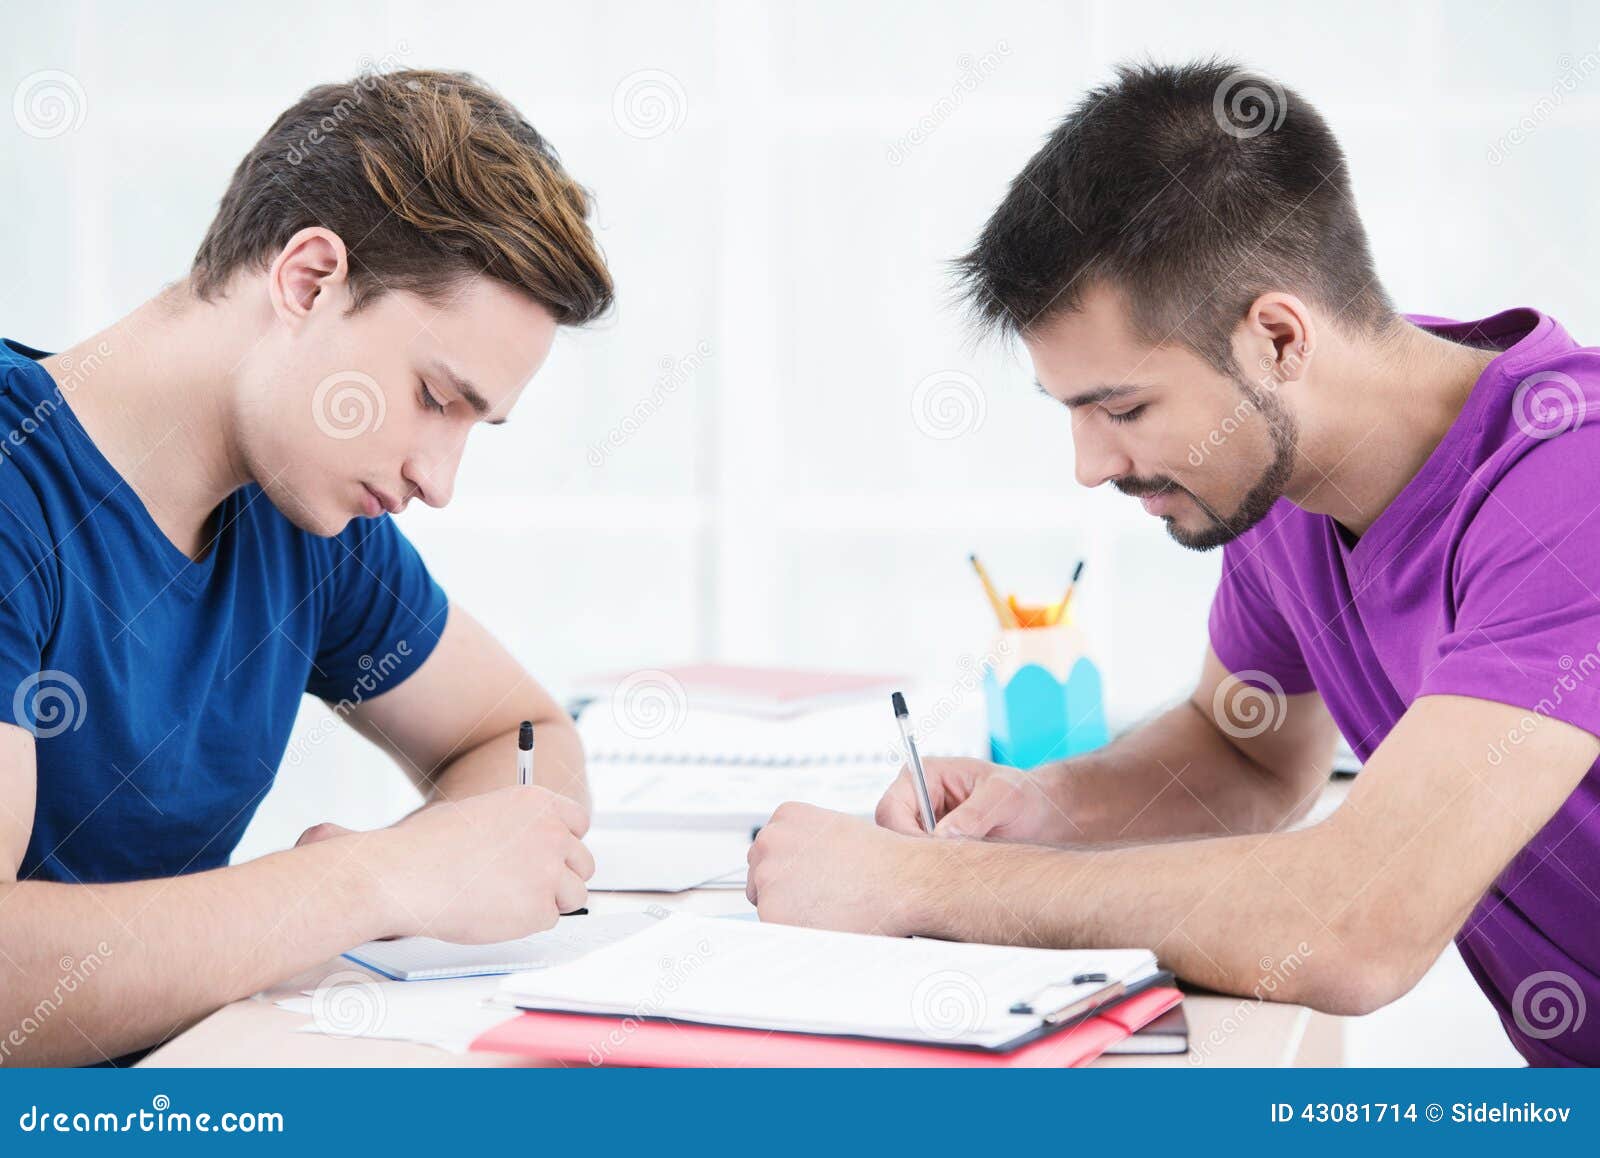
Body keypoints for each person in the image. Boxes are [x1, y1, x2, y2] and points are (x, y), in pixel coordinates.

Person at [746, 60, 1600, 1066]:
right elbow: (1242, 752)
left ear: (1277, 337)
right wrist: (1044, 807)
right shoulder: (1283, 483)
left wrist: (915, 892)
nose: (1089, 465)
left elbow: (1358, 924)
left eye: (1121, 409)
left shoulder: (1570, 488)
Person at [0, 70, 609, 1065]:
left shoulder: (306, 517)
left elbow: (521, 732)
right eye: (433, 396)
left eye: (476, 426)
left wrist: (440, 865)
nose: (438, 478)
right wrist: (374, 881)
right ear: (308, 280)